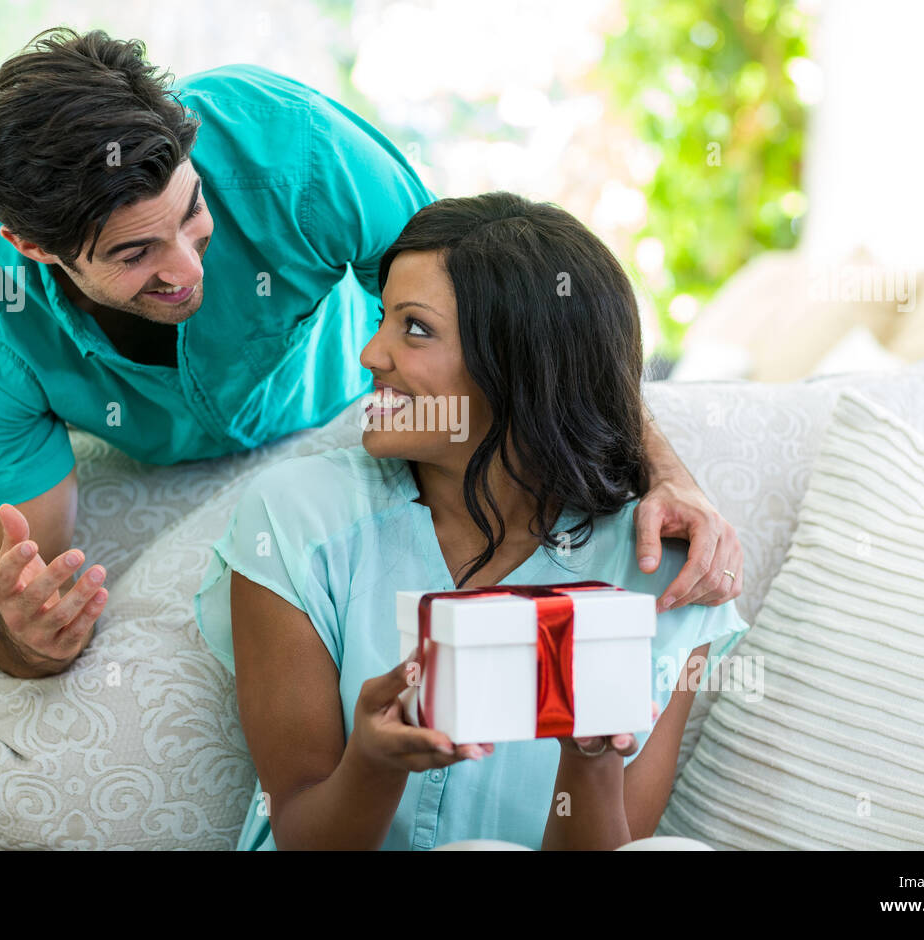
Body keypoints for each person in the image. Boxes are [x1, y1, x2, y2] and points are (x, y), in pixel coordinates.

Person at [0, 27, 744, 681]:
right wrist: (31, 639)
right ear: (31, 245)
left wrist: (667, 472)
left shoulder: (295, 151)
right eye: (135, 254)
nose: (187, 267)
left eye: (192, 212)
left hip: (362, 419)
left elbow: (511, 306)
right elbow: (23, 598)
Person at [194, 193, 750, 850]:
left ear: (521, 369)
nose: (372, 354)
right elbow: (299, 831)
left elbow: (623, 841)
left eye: (416, 329)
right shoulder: (297, 518)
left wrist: (593, 754)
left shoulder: (660, 571)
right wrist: (374, 762)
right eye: (381, 320)